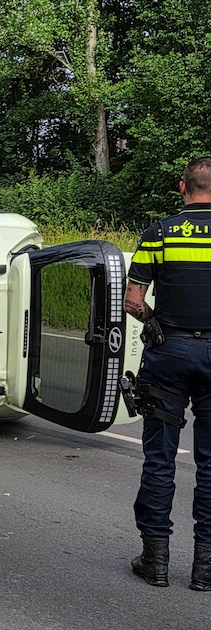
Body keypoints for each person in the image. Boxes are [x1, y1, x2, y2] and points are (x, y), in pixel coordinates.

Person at [125, 156, 211, 591]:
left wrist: (155, 322)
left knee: (160, 458)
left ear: (183, 187)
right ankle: (205, 568)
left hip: (169, 352)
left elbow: (132, 300)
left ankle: (155, 560)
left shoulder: (159, 233)